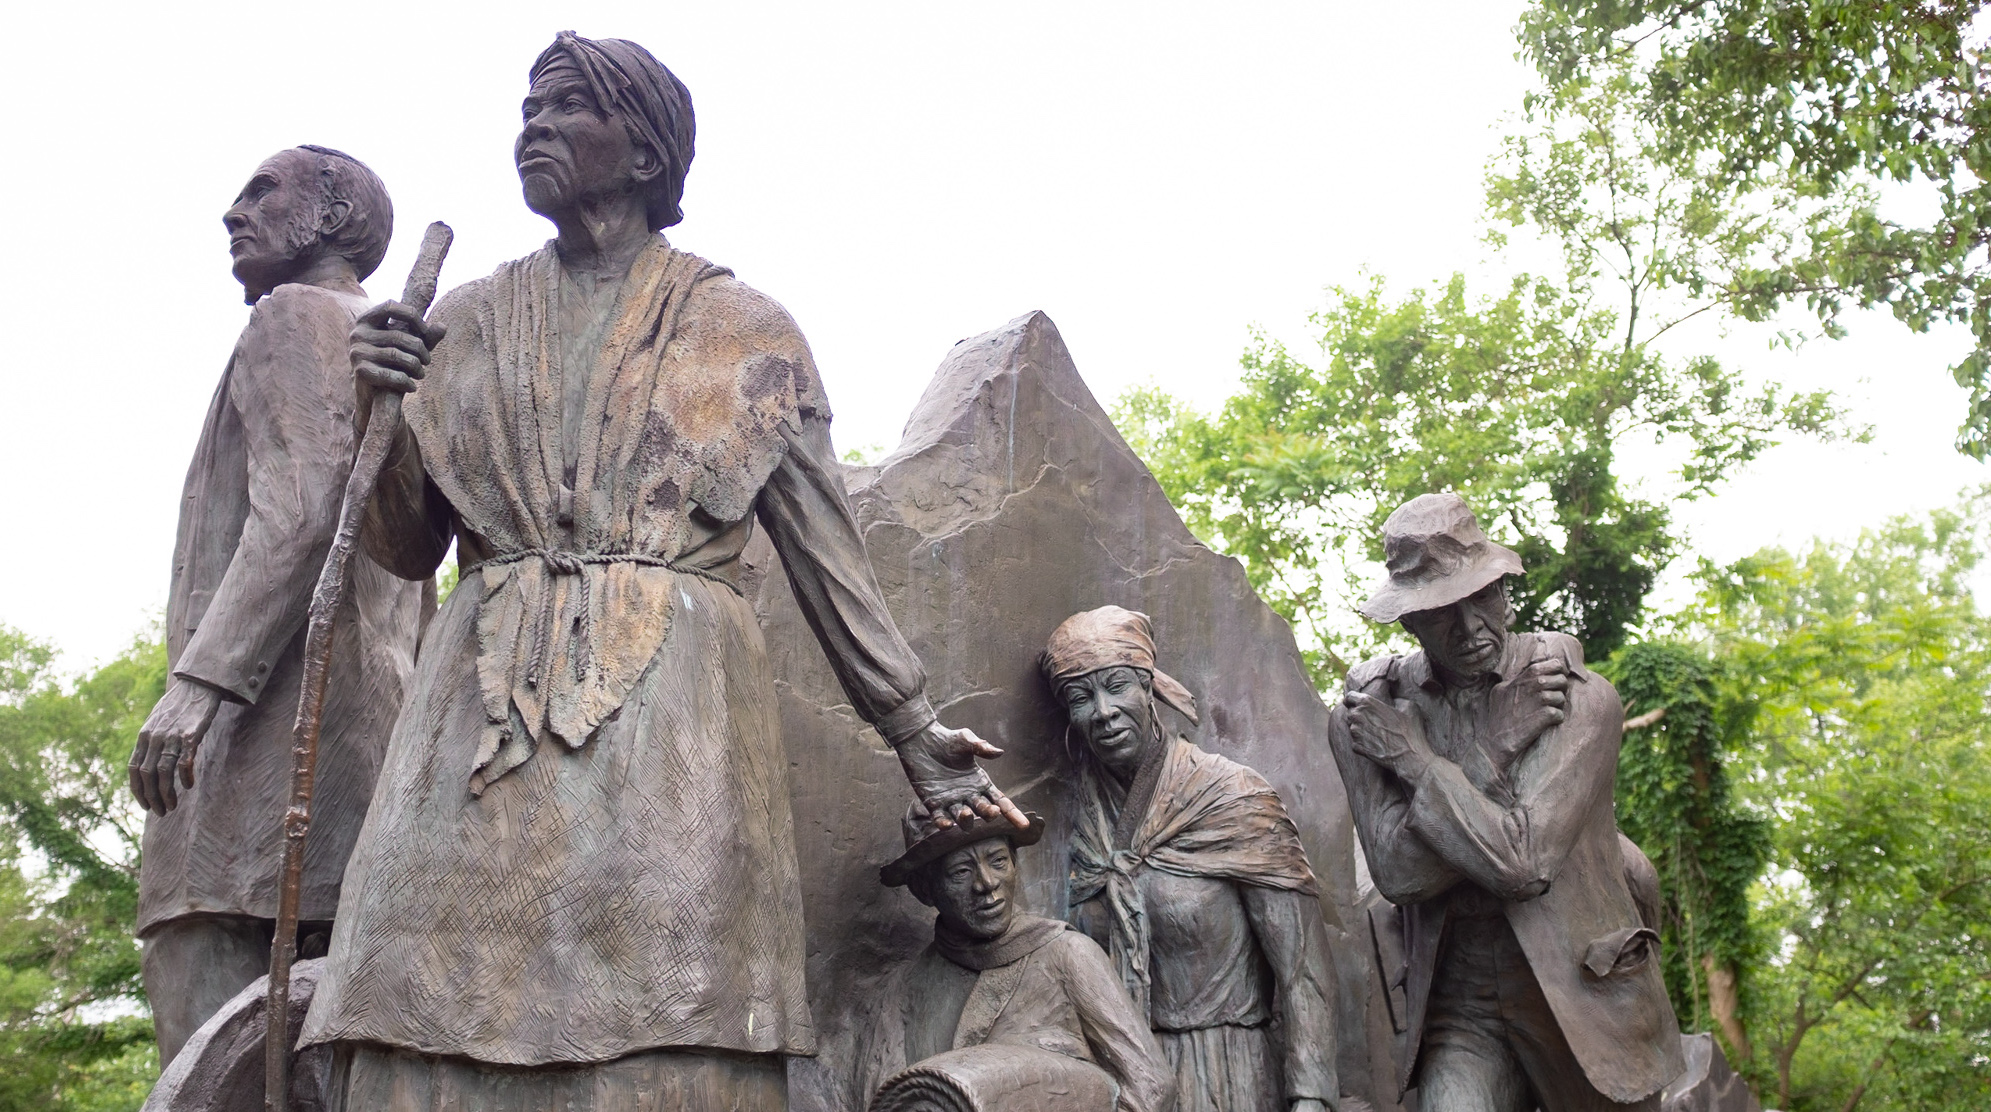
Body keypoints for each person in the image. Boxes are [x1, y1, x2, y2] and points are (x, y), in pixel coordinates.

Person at [298, 32, 1024, 1109]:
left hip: (673, 711)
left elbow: (826, 552)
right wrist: (381, 404)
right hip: (476, 704)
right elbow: (405, 546)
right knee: (424, 1003)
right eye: (526, 109)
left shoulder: (743, 329)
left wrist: (914, 731)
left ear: (644, 153)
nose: (533, 127)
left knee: (668, 998)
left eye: (563, 108)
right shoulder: (461, 322)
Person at [126, 146, 422, 1066]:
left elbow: (302, 506)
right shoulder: (388, 346)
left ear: (331, 217)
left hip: (259, 763)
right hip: (367, 758)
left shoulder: (296, 314)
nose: (234, 212)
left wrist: (198, 688)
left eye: (263, 192)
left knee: (206, 1046)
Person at [1327, 493, 1683, 1111]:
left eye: (1482, 597)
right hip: (1462, 1007)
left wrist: (1415, 760)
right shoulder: (1369, 715)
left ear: (1503, 589)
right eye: (1441, 611)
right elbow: (1400, 876)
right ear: (1409, 621)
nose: (1469, 628)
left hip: (1589, 989)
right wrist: (1492, 747)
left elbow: (1524, 864)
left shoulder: (1577, 698)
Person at [1044, 606, 1339, 1112]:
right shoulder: (1077, 824)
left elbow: (1302, 970)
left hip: (1229, 1072)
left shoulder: (1233, 797)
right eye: (1080, 698)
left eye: (1116, 686)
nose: (1103, 711)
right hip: (1121, 1082)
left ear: (1149, 688)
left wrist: (1312, 1098)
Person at [854, 805, 1175, 1112]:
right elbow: (877, 1094)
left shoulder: (1069, 955)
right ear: (924, 889)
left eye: (998, 861)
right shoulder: (903, 990)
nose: (986, 883)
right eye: (961, 871)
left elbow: (1151, 1087)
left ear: (1015, 862)